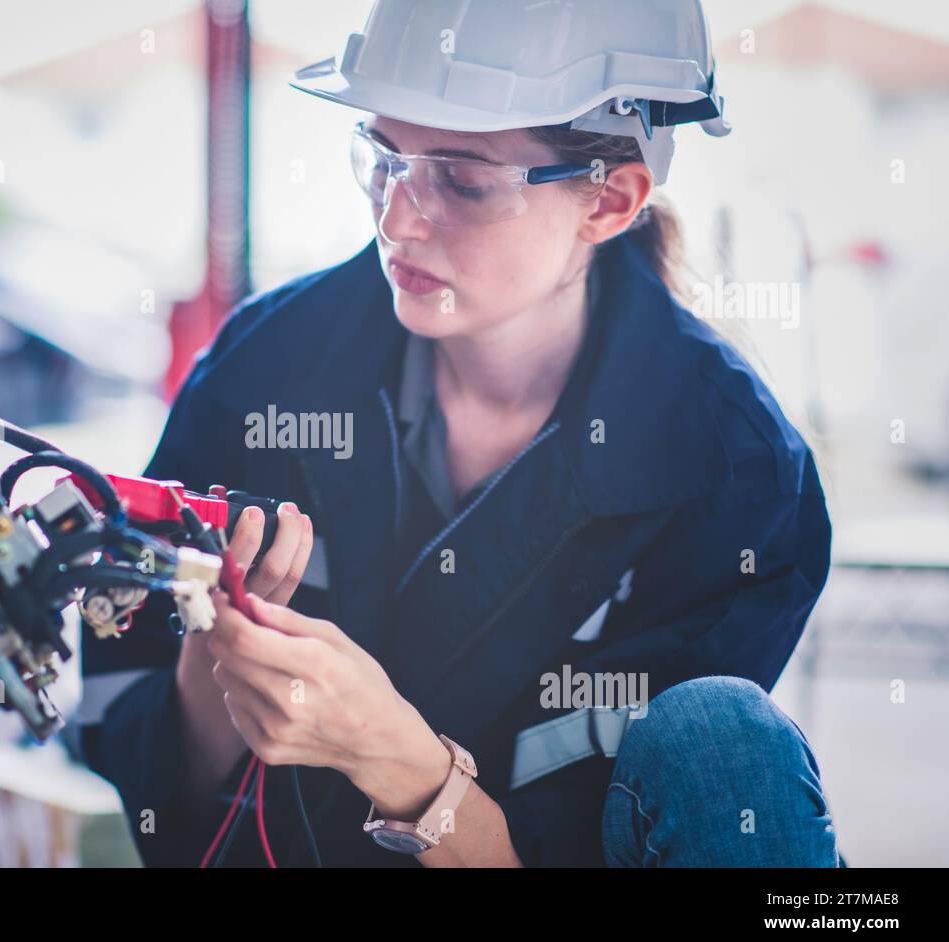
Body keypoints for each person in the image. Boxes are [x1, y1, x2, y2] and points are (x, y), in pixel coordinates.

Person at [78, 0, 838, 867]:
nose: (397, 219)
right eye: (384, 157)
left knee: (727, 739)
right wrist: (218, 650)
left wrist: (395, 759)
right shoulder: (271, 365)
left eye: (463, 180)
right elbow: (137, 777)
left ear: (611, 201)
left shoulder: (731, 472)